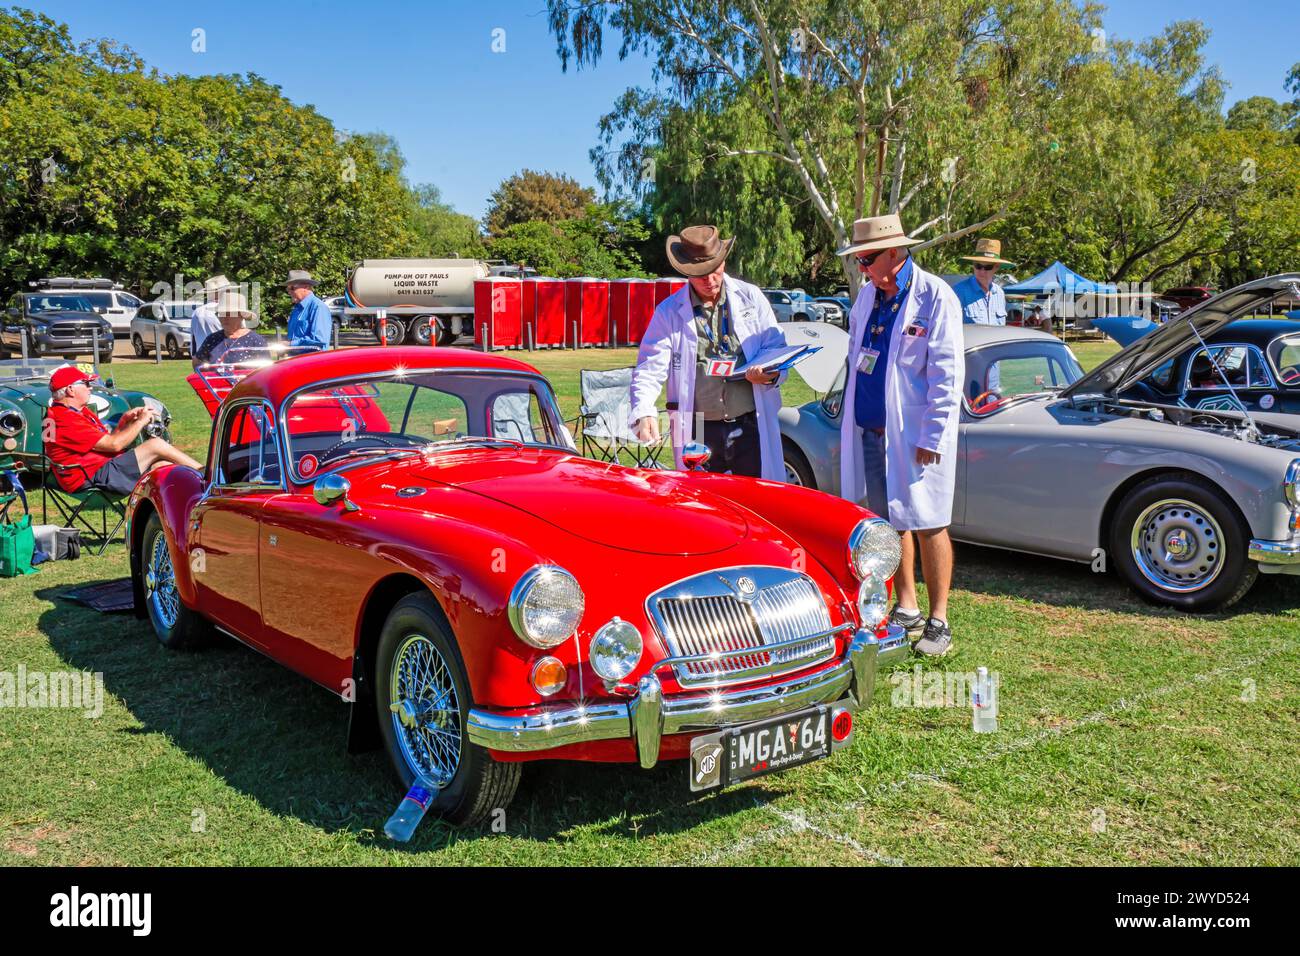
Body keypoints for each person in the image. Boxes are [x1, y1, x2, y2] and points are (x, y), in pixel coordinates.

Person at [836, 214, 964, 657]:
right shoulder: (867, 298)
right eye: (858, 260)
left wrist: (933, 435)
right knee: (891, 523)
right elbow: (858, 360)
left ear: (896, 252)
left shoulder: (934, 297)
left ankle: (939, 618)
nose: (861, 267)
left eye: (867, 258)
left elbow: (947, 375)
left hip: (915, 434)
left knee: (929, 521)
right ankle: (905, 605)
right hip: (871, 430)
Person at [629, 225, 787, 478]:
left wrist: (770, 374)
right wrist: (643, 409)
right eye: (700, 275)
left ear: (722, 261)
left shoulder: (750, 297)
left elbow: (776, 347)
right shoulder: (669, 312)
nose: (710, 280)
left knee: (757, 499)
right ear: (686, 272)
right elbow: (649, 368)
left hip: (749, 421)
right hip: (699, 427)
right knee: (704, 504)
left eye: (715, 271)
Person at [44, 366, 201, 495]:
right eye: (86, 384)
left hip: (96, 470)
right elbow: (114, 446)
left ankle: (181, 506)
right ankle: (207, 474)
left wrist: (124, 423)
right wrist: (140, 422)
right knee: (155, 445)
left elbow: (106, 442)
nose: (90, 388)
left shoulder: (73, 412)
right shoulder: (65, 419)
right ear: (71, 389)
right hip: (90, 478)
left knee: (163, 467)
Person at [192, 290, 268, 367]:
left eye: (229, 314)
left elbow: (265, 370)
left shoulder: (255, 340)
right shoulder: (212, 339)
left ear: (241, 316)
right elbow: (197, 362)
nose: (225, 318)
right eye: (222, 314)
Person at [952, 238, 1014, 326]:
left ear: (996, 267)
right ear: (973, 265)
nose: (982, 271)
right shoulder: (958, 291)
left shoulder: (1000, 293)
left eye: (988, 267)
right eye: (978, 266)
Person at [285, 270, 332, 350]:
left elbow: (319, 342)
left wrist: (290, 344)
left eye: (292, 288)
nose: (289, 292)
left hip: (312, 361)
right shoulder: (296, 309)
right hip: (296, 360)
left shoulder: (318, 307)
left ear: (306, 287)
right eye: (288, 289)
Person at [190, 274, 229, 347]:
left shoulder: (196, 312)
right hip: (223, 354)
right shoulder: (230, 310)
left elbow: (193, 339)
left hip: (201, 354)